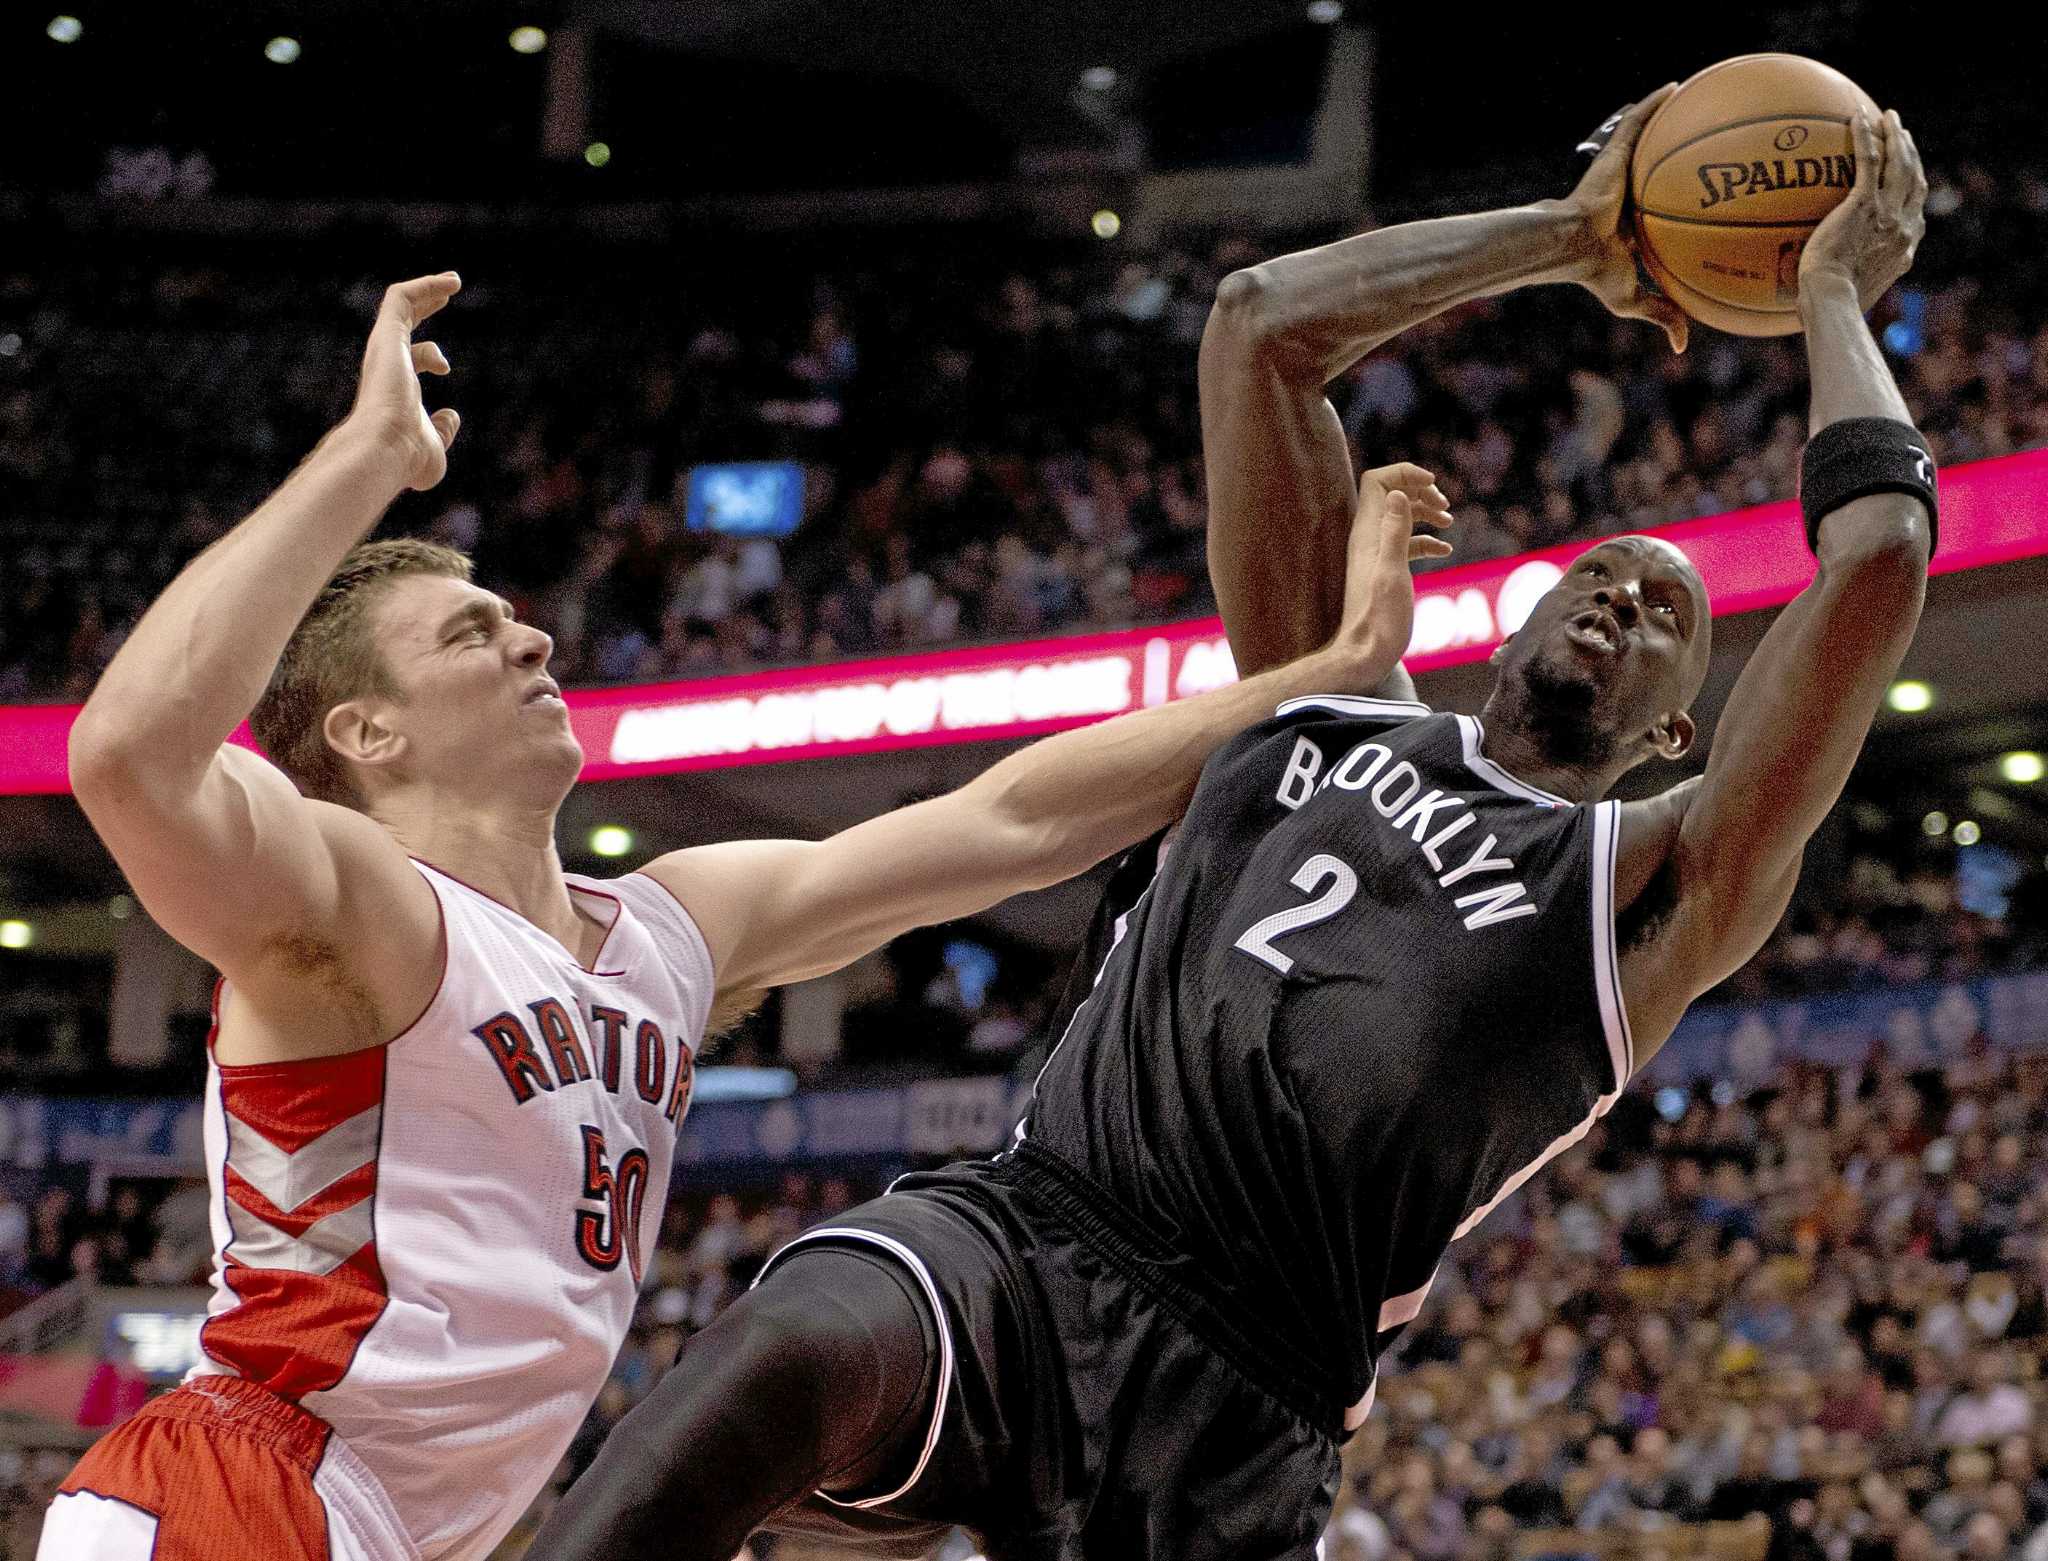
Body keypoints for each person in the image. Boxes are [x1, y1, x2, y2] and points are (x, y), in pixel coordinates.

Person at [531, 97, 1933, 1561]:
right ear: (1512, 615)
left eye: (1668, 616)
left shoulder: (1652, 884)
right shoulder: (1328, 693)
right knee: (789, 1350)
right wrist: (1574, 237)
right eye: (1606, 571)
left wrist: (1829, 293)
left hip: (1241, 1407)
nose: (1626, 596)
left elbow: (1882, 554)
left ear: (1671, 735)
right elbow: (1260, 323)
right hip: (1023, 1239)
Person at [39, 266, 1448, 1561]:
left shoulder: (662, 925)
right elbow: (124, 756)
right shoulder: (360, 910)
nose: (531, 635)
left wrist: (1316, 675)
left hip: (406, 1527)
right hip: (245, 1486)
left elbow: (1011, 822)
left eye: (515, 613)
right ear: (366, 733)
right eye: (470, 632)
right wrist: (367, 466)